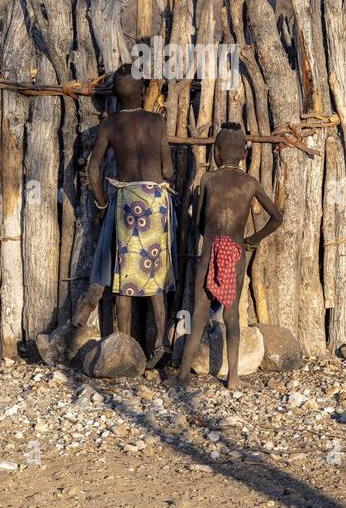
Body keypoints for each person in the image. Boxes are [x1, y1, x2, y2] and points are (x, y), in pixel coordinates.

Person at [176, 122, 283, 391]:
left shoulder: (209, 179)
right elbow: (277, 218)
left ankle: (182, 376)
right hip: (235, 252)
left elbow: (200, 222)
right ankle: (233, 378)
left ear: (217, 153)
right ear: (244, 154)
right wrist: (253, 240)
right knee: (232, 315)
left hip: (210, 249)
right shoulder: (250, 183)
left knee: (199, 314)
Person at [82, 65, 175, 362]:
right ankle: (161, 344)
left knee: (125, 277)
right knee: (155, 274)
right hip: (154, 202)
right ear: (144, 91)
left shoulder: (109, 126)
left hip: (126, 203)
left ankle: (124, 347)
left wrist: (101, 202)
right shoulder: (156, 122)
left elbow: (92, 168)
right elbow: (167, 170)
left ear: (116, 96)